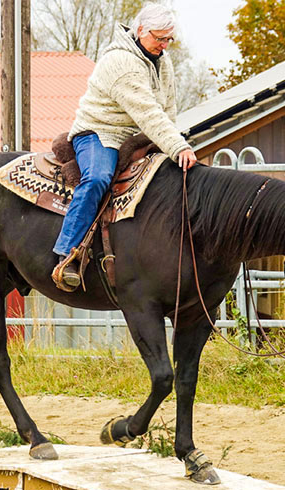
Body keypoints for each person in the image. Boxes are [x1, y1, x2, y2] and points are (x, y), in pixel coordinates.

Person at [51, 2, 198, 292]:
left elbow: (167, 109)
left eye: (169, 39)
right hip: (100, 132)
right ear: (141, 30)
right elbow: (148, 112)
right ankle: (66, 253)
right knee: (97, 179)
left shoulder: (161, 60)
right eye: (160, 38)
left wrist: (167, 143)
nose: (164, 45)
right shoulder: (120, 61)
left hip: (137, 134)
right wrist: (177, 146)